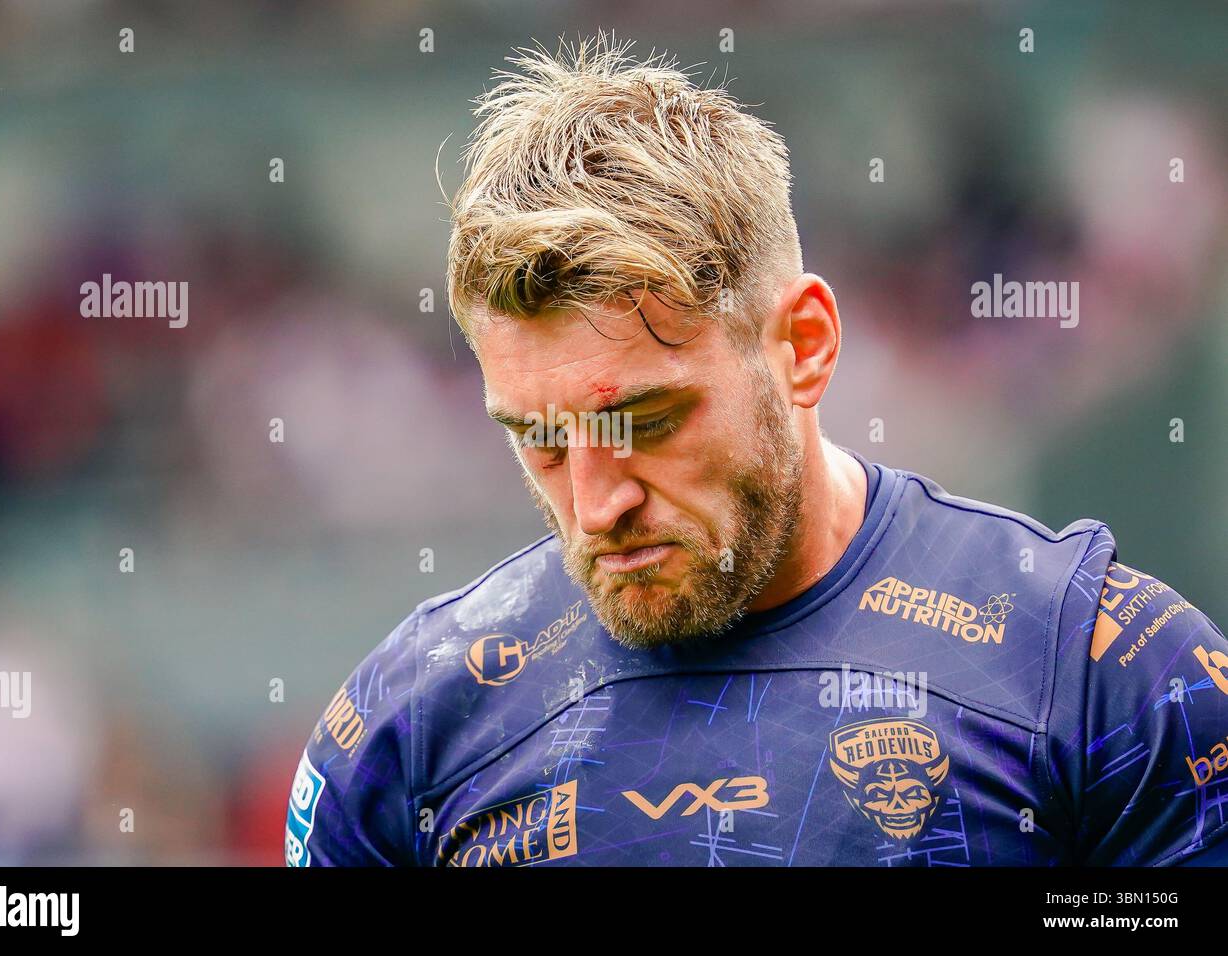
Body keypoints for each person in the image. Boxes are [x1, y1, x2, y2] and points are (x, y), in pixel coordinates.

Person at [285, 34, 1228, 867]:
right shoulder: (406, 735)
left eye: (647, 422)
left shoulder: (1110, 675)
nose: (596, 502)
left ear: (804, 345)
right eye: (539, 439)